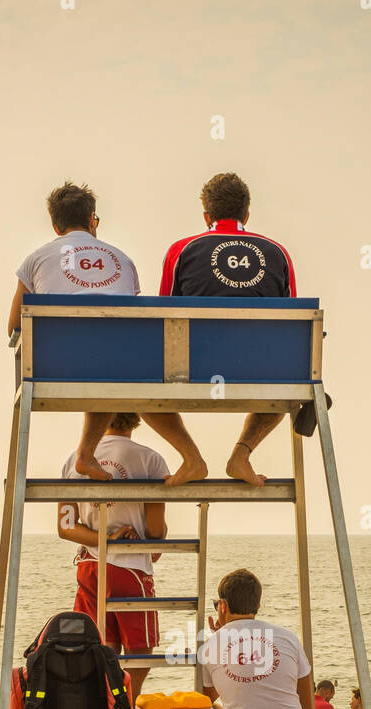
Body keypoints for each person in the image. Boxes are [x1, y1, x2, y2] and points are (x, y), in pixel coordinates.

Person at [8, 181, 208, 485]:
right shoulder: (122, 260)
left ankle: (86, 454)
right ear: (92, 220)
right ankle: (192, 458)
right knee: (121, 371)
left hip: (50, 370)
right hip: (113, 367)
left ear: (55, 224)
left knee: (101, 363)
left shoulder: (36, 259)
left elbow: (13, 327)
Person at [159, 172, 297, 487]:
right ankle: (242, 454)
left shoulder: (182, 249)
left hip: (192, 371)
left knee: (133, 391)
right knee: (291, 381)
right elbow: (291, 322)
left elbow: (163, 314)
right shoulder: (277, 252)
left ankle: (191, 458)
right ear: (246, 214)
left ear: (206, 215)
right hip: (260, 373)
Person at [58, 414, 168, 699]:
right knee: (140, 648)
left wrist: (105, 540)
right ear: (137, 417)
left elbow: (65, 526)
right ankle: (128, 706)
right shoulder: (150, 459)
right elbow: (155, 532)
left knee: (99, 642)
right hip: (130, 568)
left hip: (90, 566)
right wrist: (146, 540)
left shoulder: (74, 459)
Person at [199, 568, 312, 709]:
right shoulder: (288, 638)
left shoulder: (211, 645)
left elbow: (206, 698)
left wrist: (220, 637)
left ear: (223, 606)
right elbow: (308, 706)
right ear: (258, 604)